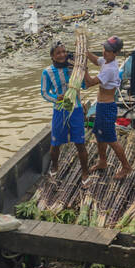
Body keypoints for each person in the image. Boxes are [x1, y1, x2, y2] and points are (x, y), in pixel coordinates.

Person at [83, 37, 132, 177]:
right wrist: (85, 53)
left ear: (115, 53)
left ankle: (126, 166)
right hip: (101, 106)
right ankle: (102, 161)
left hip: (107, 108)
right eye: (104, 49)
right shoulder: (106, 60)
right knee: (99, 135)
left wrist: (84, 68)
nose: (104, 53)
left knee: (111, 139)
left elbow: (90, 82)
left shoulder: (110, 69)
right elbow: (96, 60)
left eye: (108, 51)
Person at [41, 42, 90, 178]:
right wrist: (57, 98)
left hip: (76, 109)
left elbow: (85, 86)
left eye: (64, 52)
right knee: (55, 143)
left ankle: (85, 172)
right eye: (58, 53)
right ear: (52, 56)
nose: (62, 55)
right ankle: (55, 166)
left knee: (80, 143)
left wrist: (82, 69)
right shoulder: (47, 72)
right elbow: (44, 92)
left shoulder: (74, 68)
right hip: (59, 111)